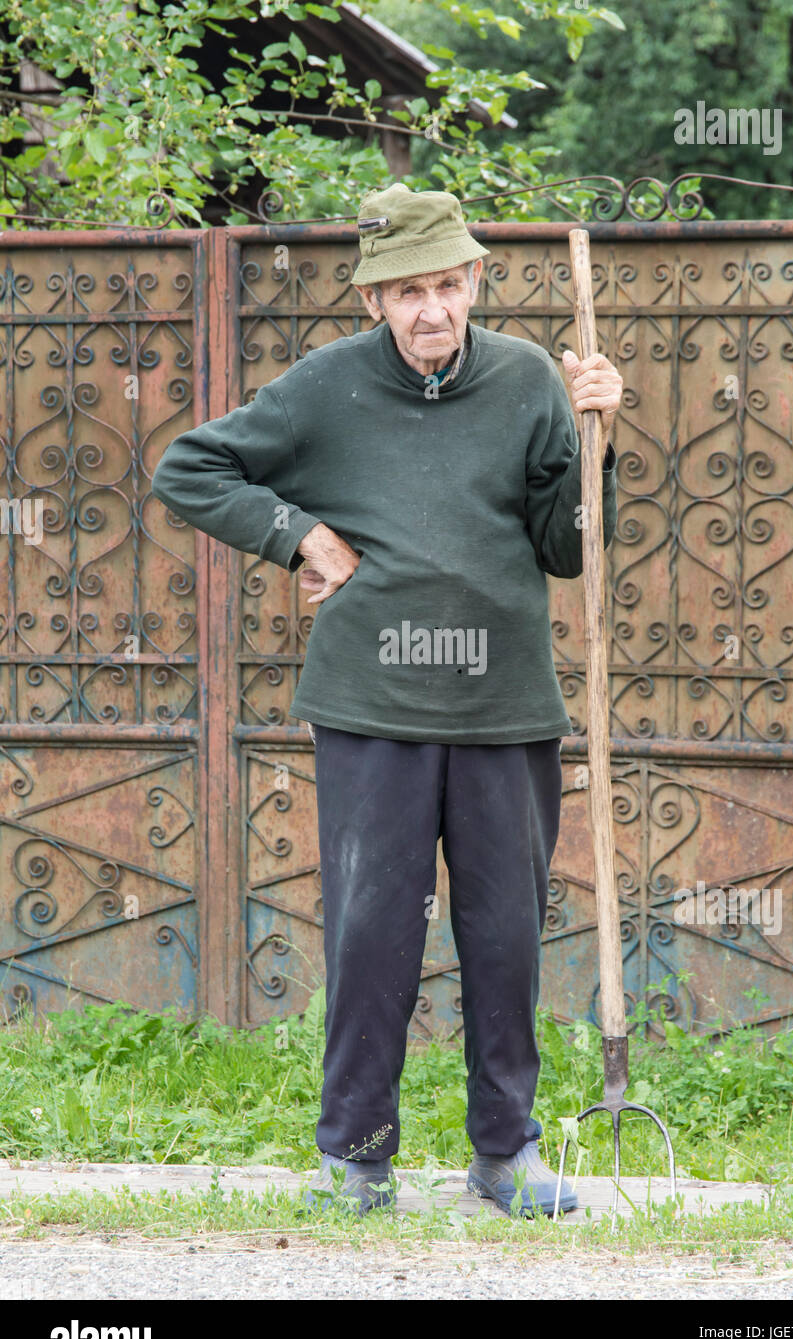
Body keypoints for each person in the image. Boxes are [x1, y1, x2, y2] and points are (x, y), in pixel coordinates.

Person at [152, 182, 623, 1217]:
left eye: (446, 286)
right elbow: (187, 466)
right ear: (372, 300)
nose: (429, 311)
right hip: (373, 709)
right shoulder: (322, 389)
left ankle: (506, 1156)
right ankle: (358, 1157)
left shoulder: (531, 379)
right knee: (374, 936)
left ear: (474, 283)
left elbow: (566, 546)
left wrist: (595, 440)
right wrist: (300, 536)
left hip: (504, 709)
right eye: (406, 291)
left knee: (503, 938)